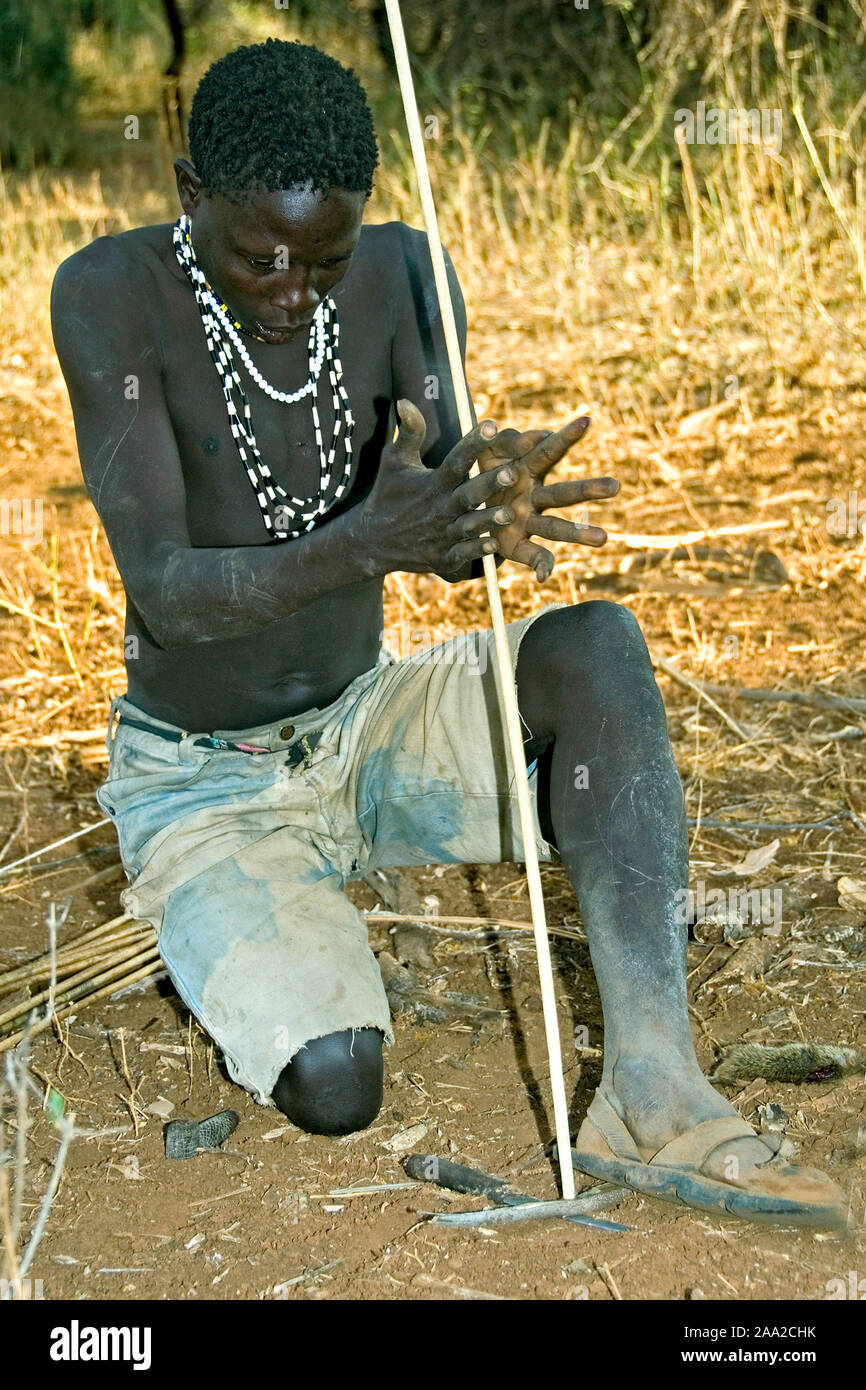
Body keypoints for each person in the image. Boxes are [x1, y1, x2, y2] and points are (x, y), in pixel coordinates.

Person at [51, 38, 844, 1227]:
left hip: (368, 723)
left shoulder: (406, 276)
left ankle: (651, 1086)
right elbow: (168, 586)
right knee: (334, 1085)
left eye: (322, 259)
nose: (291, 290)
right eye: (257, 254)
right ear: (186, 194)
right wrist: (365, 543)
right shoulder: (108, 295)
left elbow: (443, 515)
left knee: (592, 648)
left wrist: (487, 506)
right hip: (207, 782)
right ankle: (237, 913)